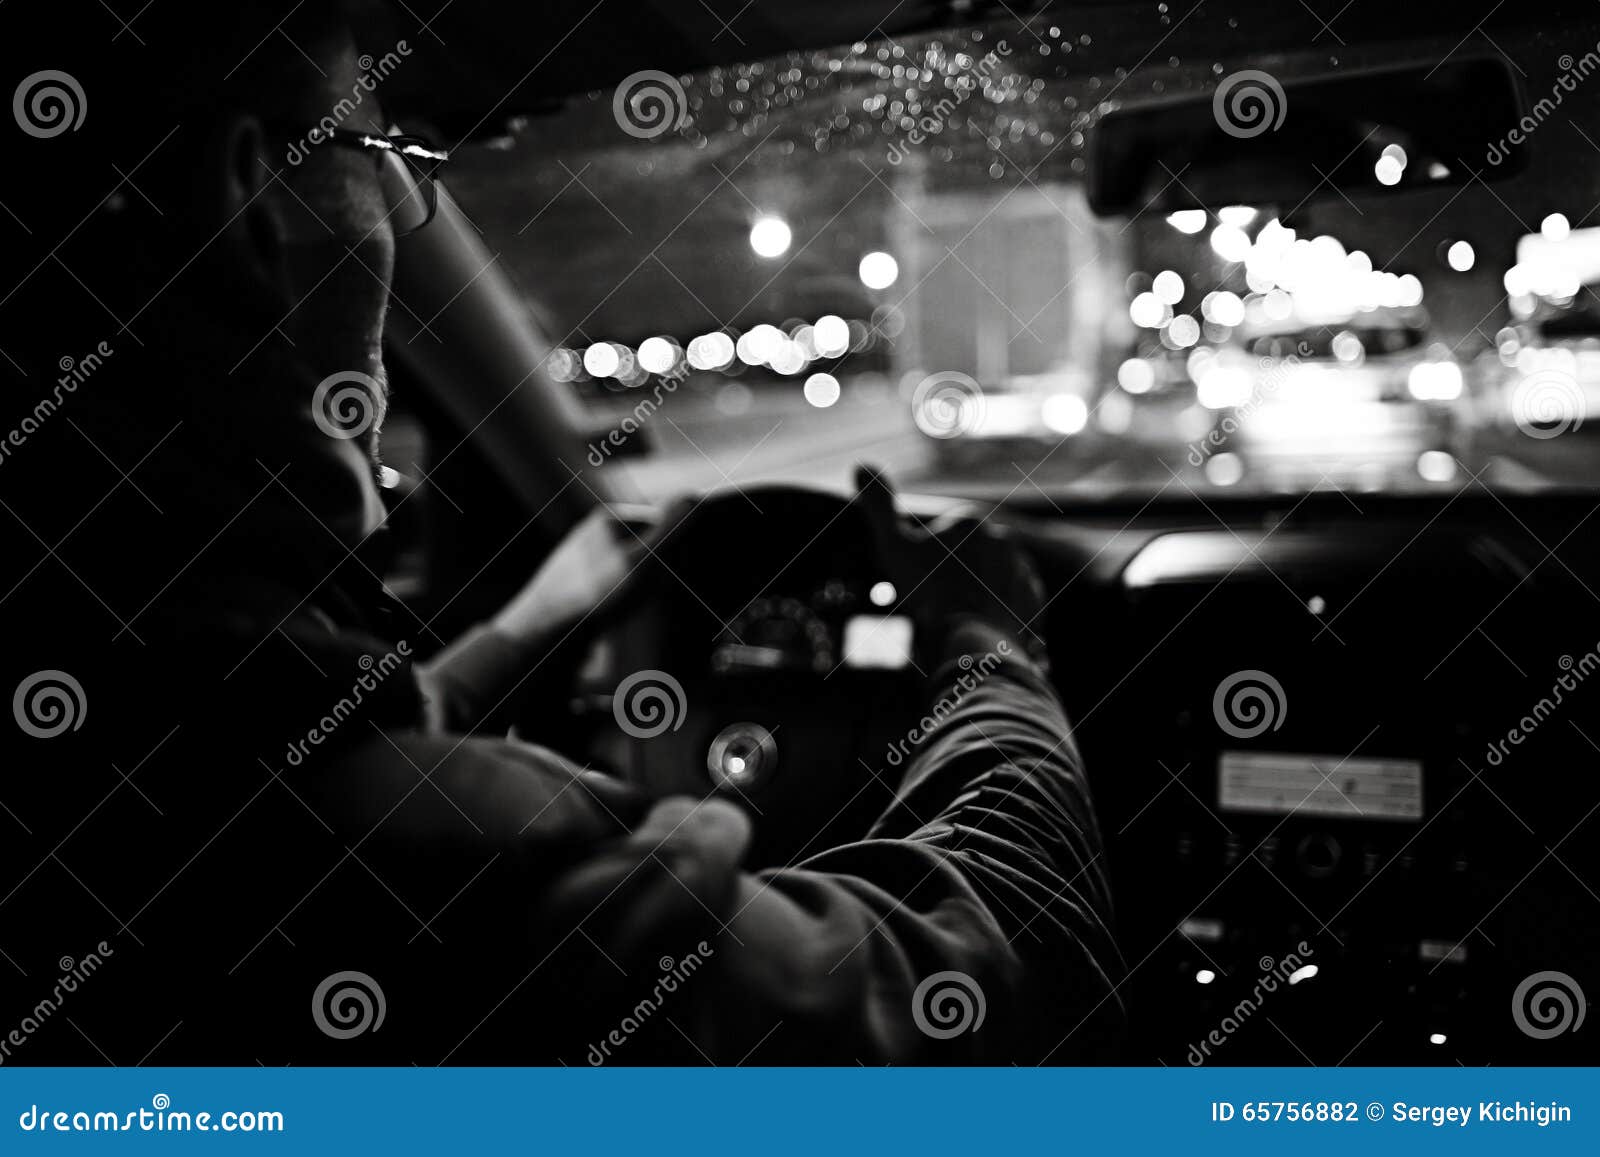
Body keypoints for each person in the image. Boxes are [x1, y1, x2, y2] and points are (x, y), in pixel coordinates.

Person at [0, 3, 1122, 1063]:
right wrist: (991, 650)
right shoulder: (454, 860)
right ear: (249, 196)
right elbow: (991, 1000)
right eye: (374, 150)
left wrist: (535, 618)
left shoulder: (146, 716)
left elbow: (277, 733)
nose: (401, 206)